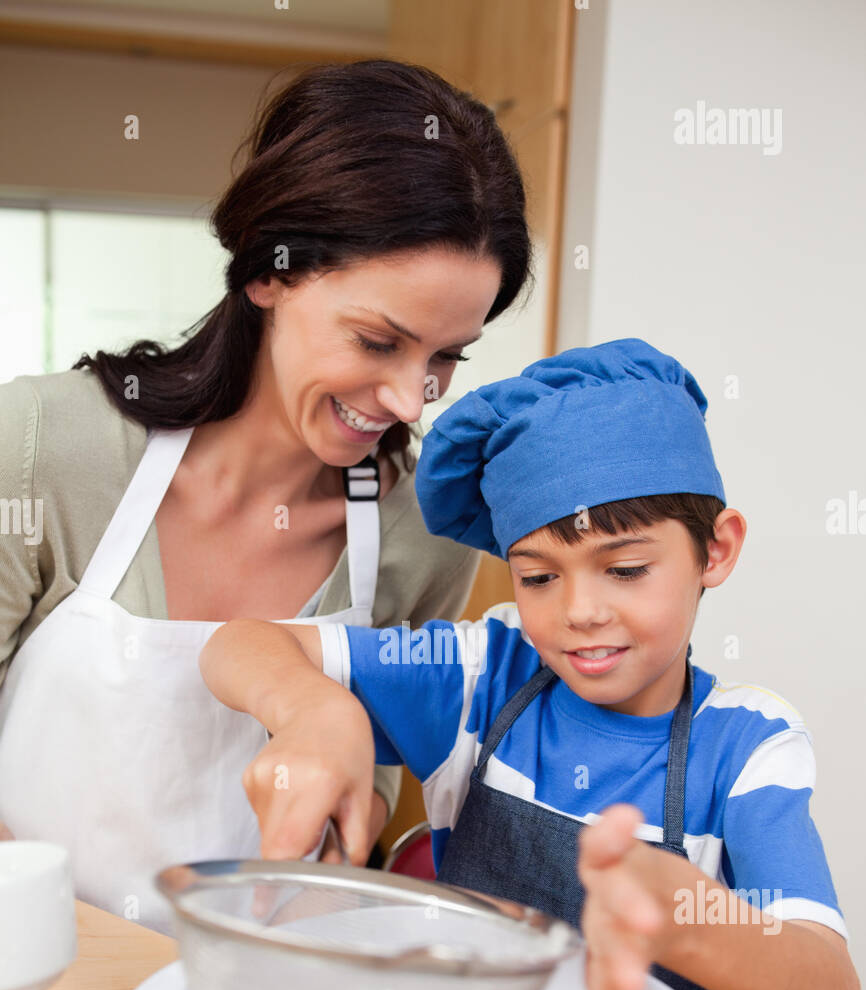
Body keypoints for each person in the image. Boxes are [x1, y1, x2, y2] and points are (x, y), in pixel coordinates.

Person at [199, 339, 860, 990]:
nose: (579, 611)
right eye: (539, 578)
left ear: (717, 550)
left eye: (627, 569)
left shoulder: (746, 745)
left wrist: (684, 911)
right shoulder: (483, 676)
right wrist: (314, 712)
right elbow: (241, 643)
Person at [0, 59, 534, 931]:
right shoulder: (41, 451)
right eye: (376, 340)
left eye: (444, 357)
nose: (410, 400)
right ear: (268, 274)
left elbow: (366, 808)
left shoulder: (425, 535)